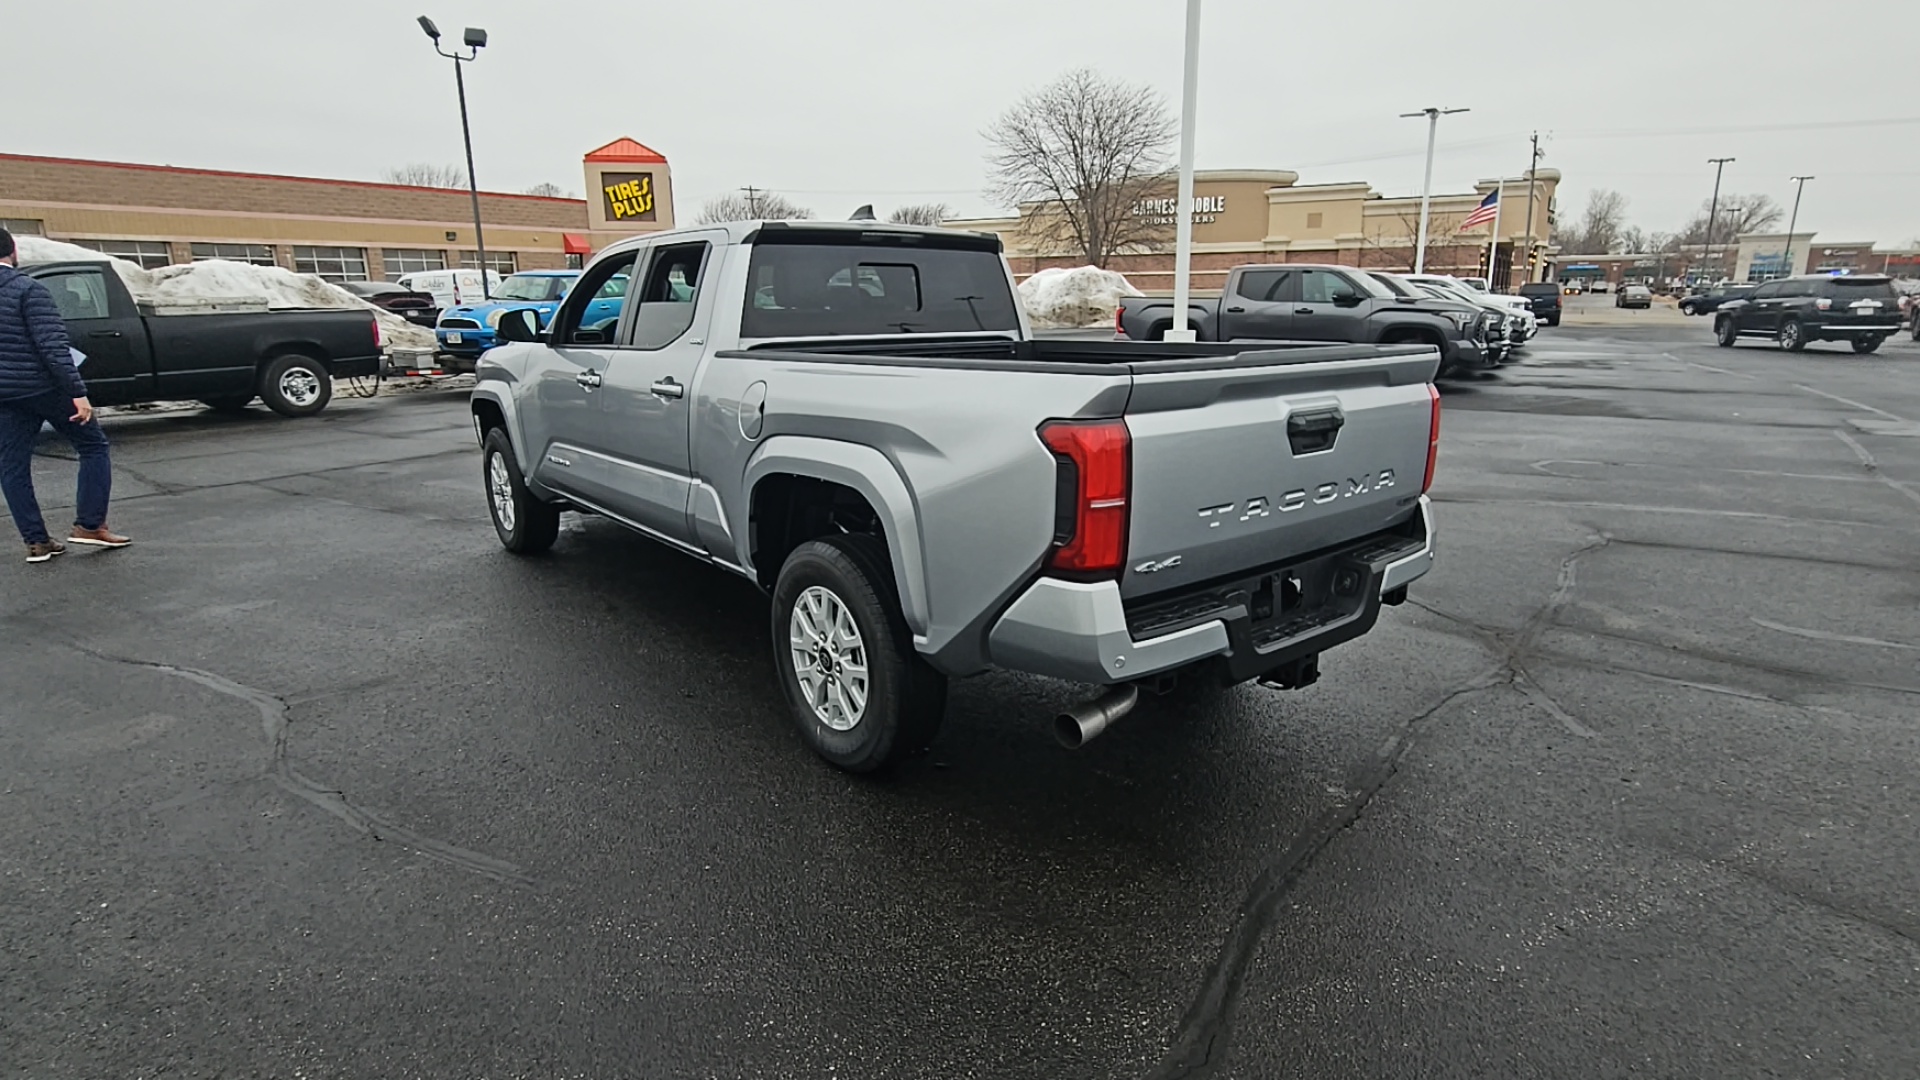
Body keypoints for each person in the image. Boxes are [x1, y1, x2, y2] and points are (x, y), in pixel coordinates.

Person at [0, 227, 131, 563]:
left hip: (5, 394)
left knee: (12, 466)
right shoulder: (29, 290)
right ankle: (89, 525)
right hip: (44, 388)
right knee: (92, 445)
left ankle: (37, 542)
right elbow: (53, 347)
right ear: (12, 252)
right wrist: (78, 393)